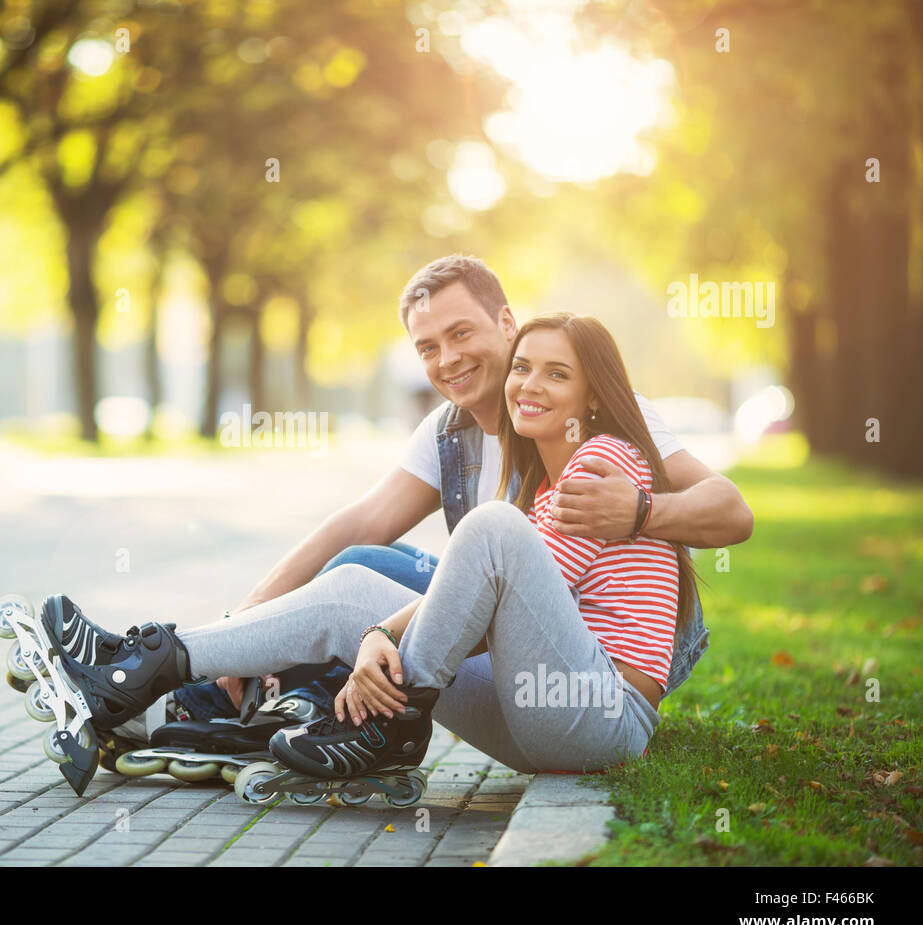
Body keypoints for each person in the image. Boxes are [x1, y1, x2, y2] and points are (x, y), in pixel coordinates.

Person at [47, 310, 727, 786]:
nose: (528, 385)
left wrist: (391, 641)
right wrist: (375, 631)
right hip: (541, 717)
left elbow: (503, 586)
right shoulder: (544, 486)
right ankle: (142, 668)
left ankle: (390, 722)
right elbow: (433, 573)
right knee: (352, 590)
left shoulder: (604, 461)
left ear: (594, 396)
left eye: (557, 375)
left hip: (602, 719)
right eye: (523, 368)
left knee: (489, 528)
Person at [175, 255, 751, 725]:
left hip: (590, 658)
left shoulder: (600, 418)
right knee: (365, 558)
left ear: (506, 323)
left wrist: (640, 510)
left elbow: (732, 513)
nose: (448, 359)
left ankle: (298, 707)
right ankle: (249, 690)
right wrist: (242, 623)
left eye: (460, 333)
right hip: (513, 645)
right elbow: (358, 523)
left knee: (379, 570)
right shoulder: (451, 431)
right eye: (428, 347)